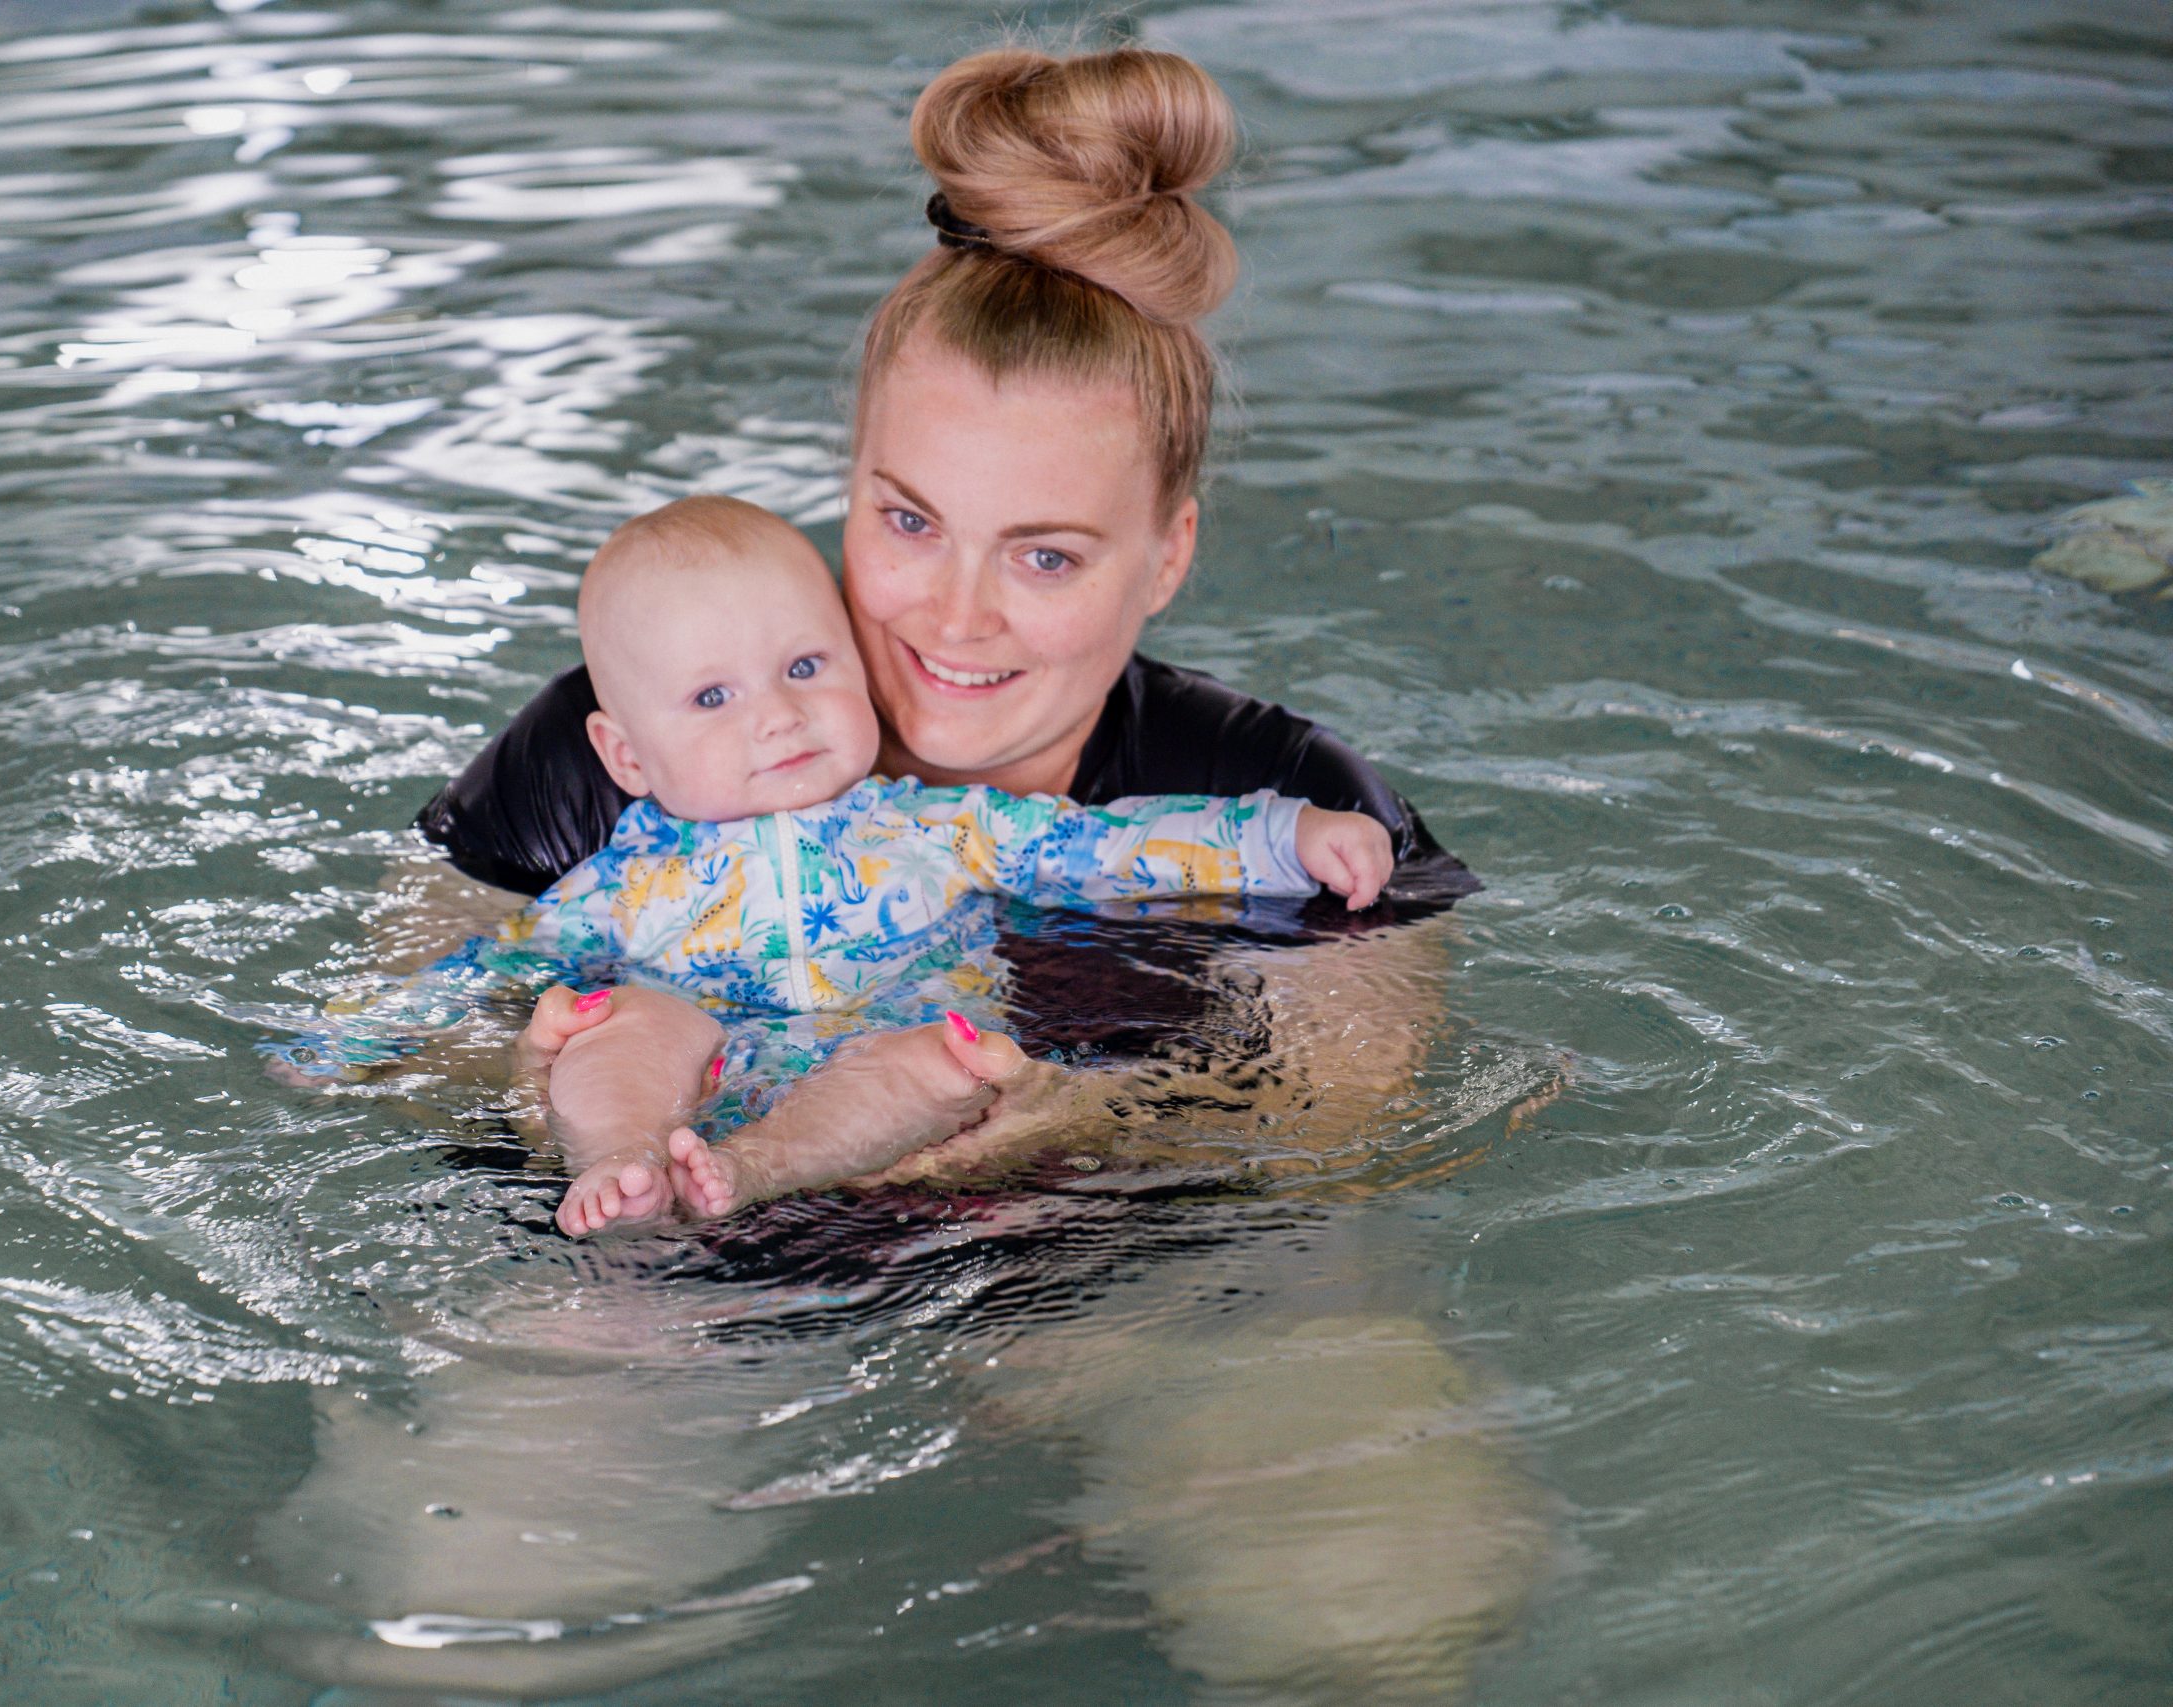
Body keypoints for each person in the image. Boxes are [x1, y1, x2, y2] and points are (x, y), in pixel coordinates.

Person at [259, 44, 1546, 1703]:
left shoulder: (1284, 808)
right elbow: (388, 1014)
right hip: (694, 1285)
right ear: (847, 487)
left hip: (1134, 1297)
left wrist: (1077, 1127)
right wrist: (549, 1086)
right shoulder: (642, 740)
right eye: (910, 521)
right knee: (463, 1607)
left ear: (1167, 551)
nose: (953, 617)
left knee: (1371, 1608)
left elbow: (1350, 1119)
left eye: (1048, 554)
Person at [276, 493, 1401, 1236]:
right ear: (626, 756)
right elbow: (493, 959)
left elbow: (1110, 845)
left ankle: (753, 1172)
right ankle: (622, 1161)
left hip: (873, 1082)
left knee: (949, 1059)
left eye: (806, 667)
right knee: (614, 1022)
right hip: (703, 1076)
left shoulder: (938, 823)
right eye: (713, 697)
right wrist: (354, 1037)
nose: (776, 715)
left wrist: (1281, 836)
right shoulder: (622, 881)